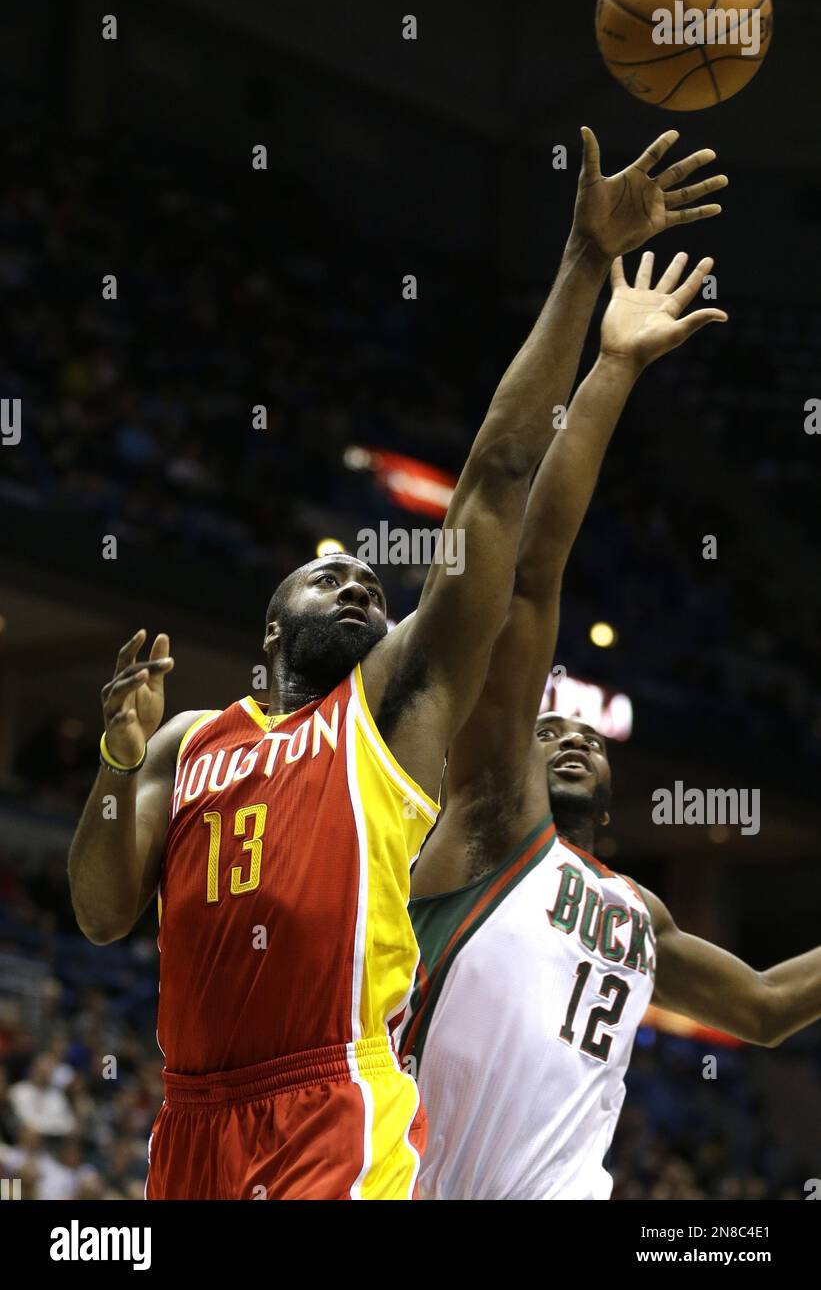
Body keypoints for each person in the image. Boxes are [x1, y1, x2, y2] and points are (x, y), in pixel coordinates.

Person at [69, 129, 726, 1200]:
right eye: (333, 582)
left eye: (377, 590)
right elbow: (100, 912)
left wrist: (579, 270)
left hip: (331, 1105)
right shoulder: (189, 742)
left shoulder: (388, 714)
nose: (364, 588)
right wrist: (111, 762)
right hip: (189, 1121)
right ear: (271, 627)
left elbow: (496, 485)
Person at [401, 251, 821, 1200]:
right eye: (547, 731)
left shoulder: (640, 914)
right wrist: (615, 367)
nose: (571, 734)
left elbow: (761, 1007)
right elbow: (533, 574)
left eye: (581, 734)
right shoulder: (487, 821)